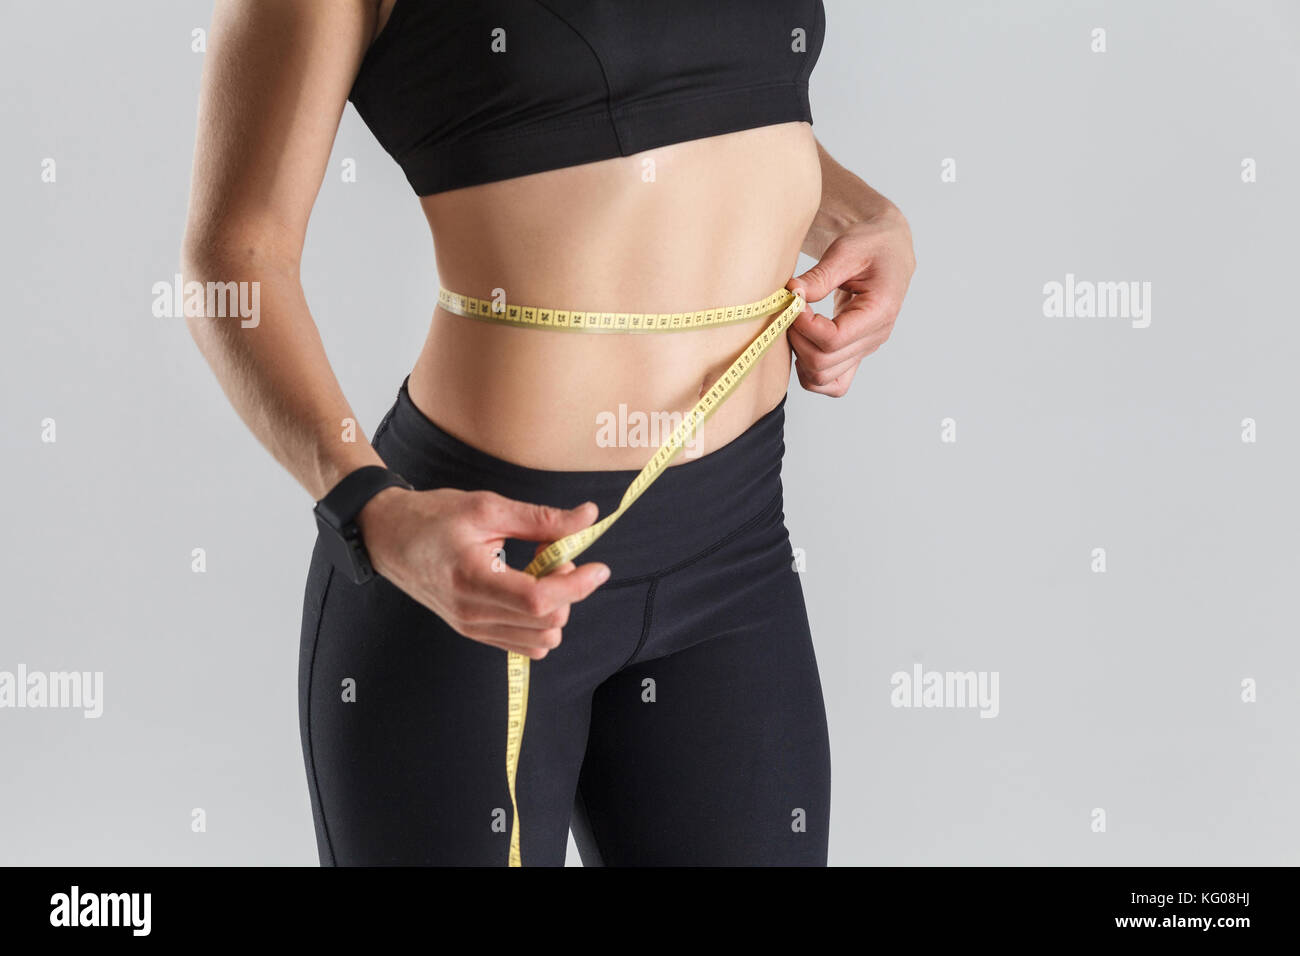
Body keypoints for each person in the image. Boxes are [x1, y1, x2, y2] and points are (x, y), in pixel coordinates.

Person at [181, 0, 915, 866]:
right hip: (470, 565)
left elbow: (711, 94)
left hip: (737, 552)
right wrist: (369, 510)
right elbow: (231, 264)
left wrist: (867, 213)